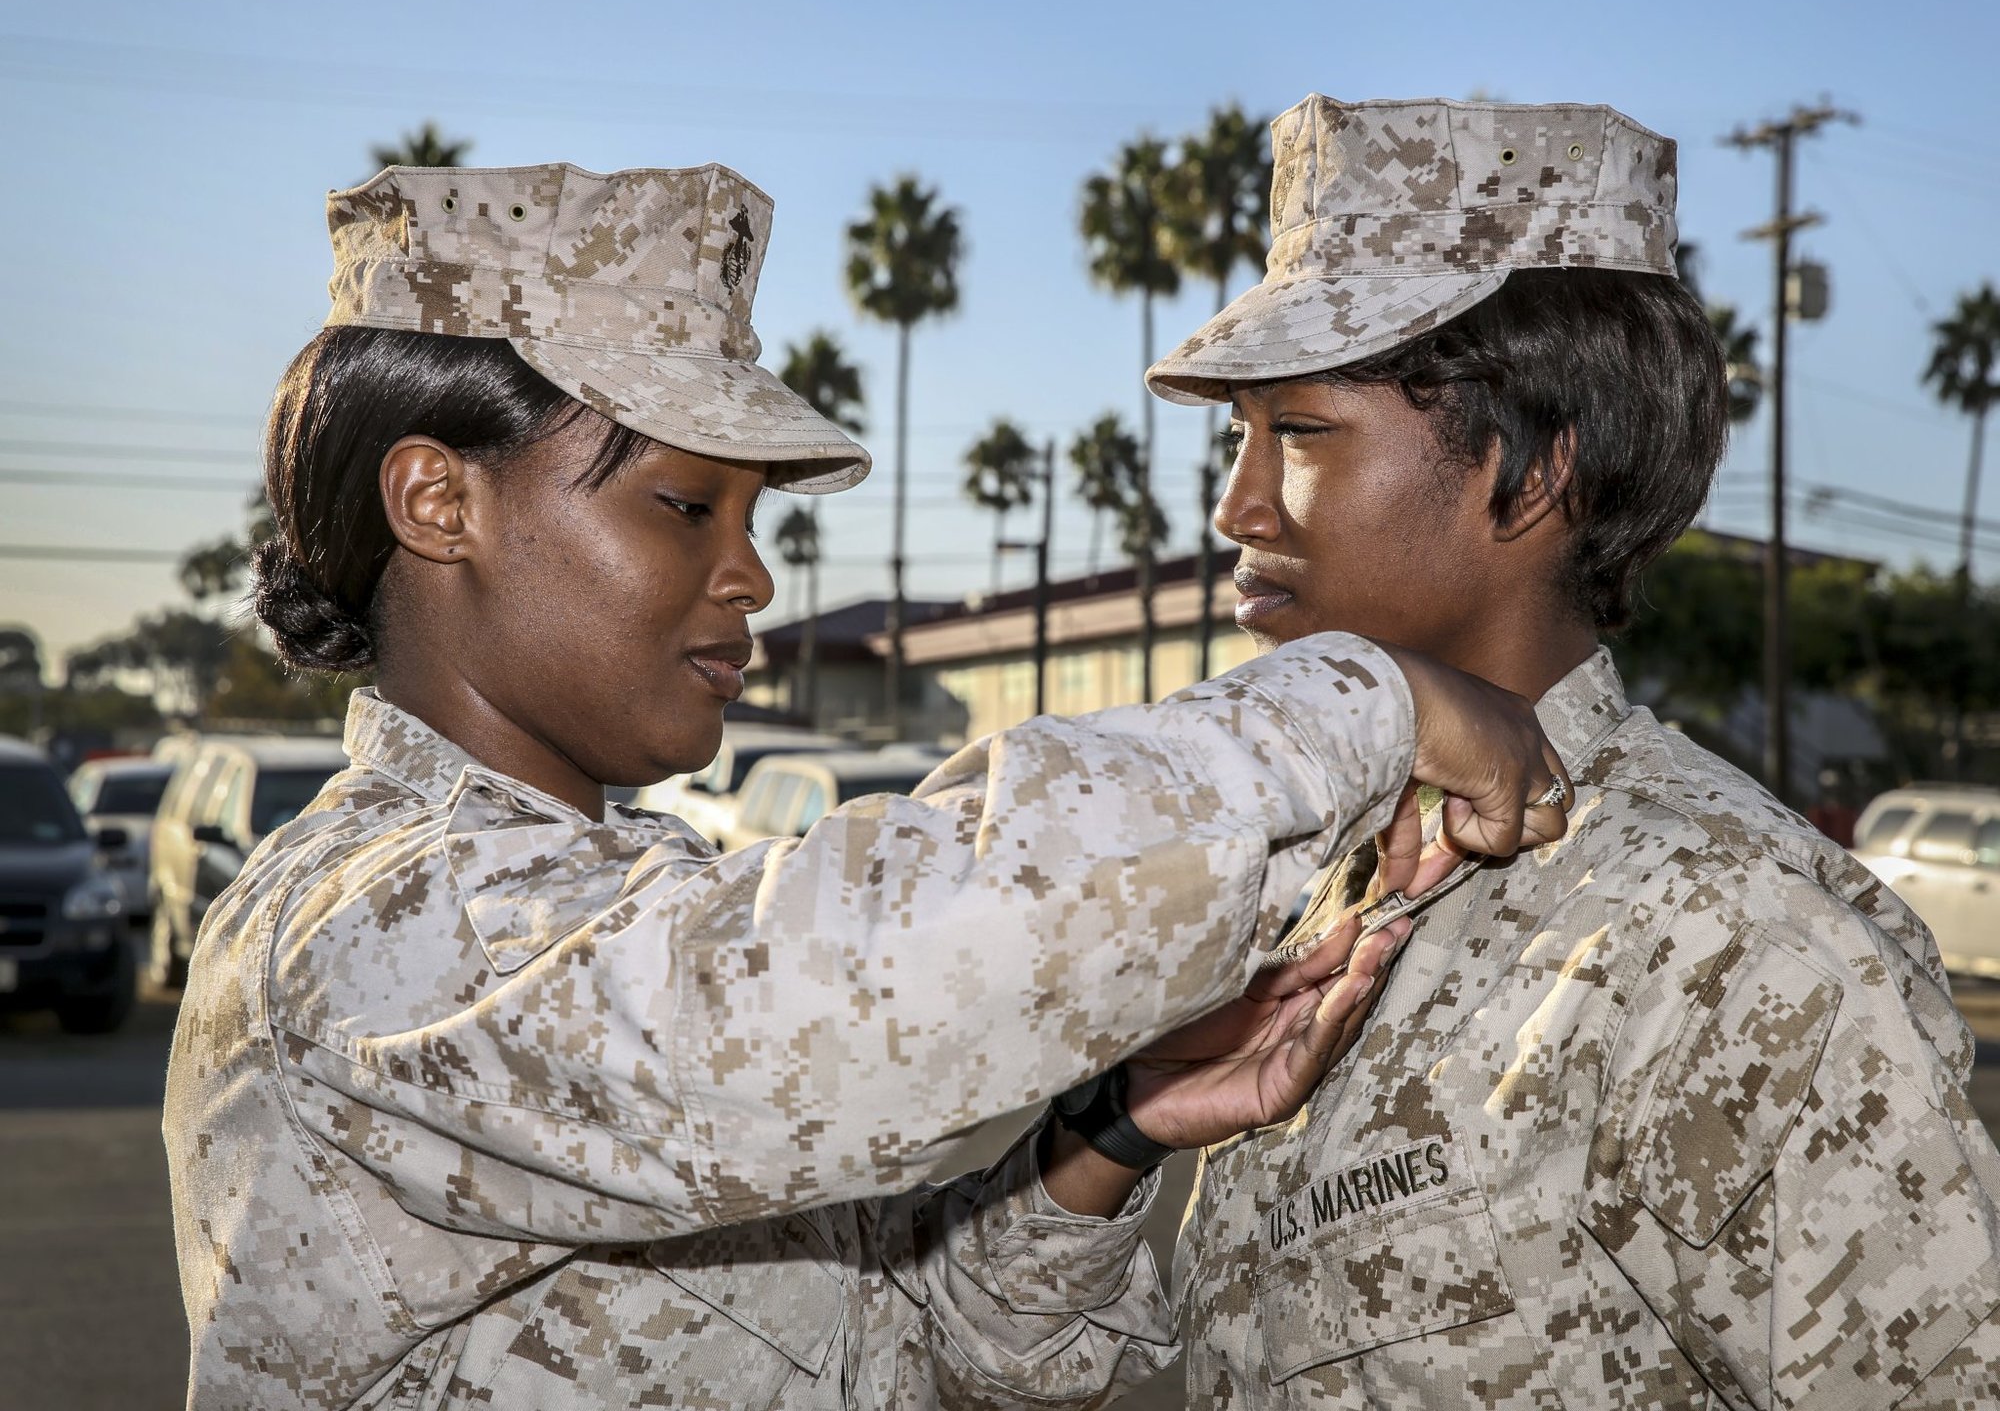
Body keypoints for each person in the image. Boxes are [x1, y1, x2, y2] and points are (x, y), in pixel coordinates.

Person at [162, 159, 1570, 1411]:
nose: (751, 575)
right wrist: (1360, 699)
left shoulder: (621, 898)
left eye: (752, 516)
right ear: (438, 502)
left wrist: (1112, 1126)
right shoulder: (370, 937)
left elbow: (923, 1359)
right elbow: (810, 1002)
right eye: (681, 505)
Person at [1144, 95, 2000, 1409]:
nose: (1236, 504)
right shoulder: (1321, 889)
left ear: (1538, 469)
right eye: (1236, 436)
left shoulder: (1739, 953)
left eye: (1301, 434)